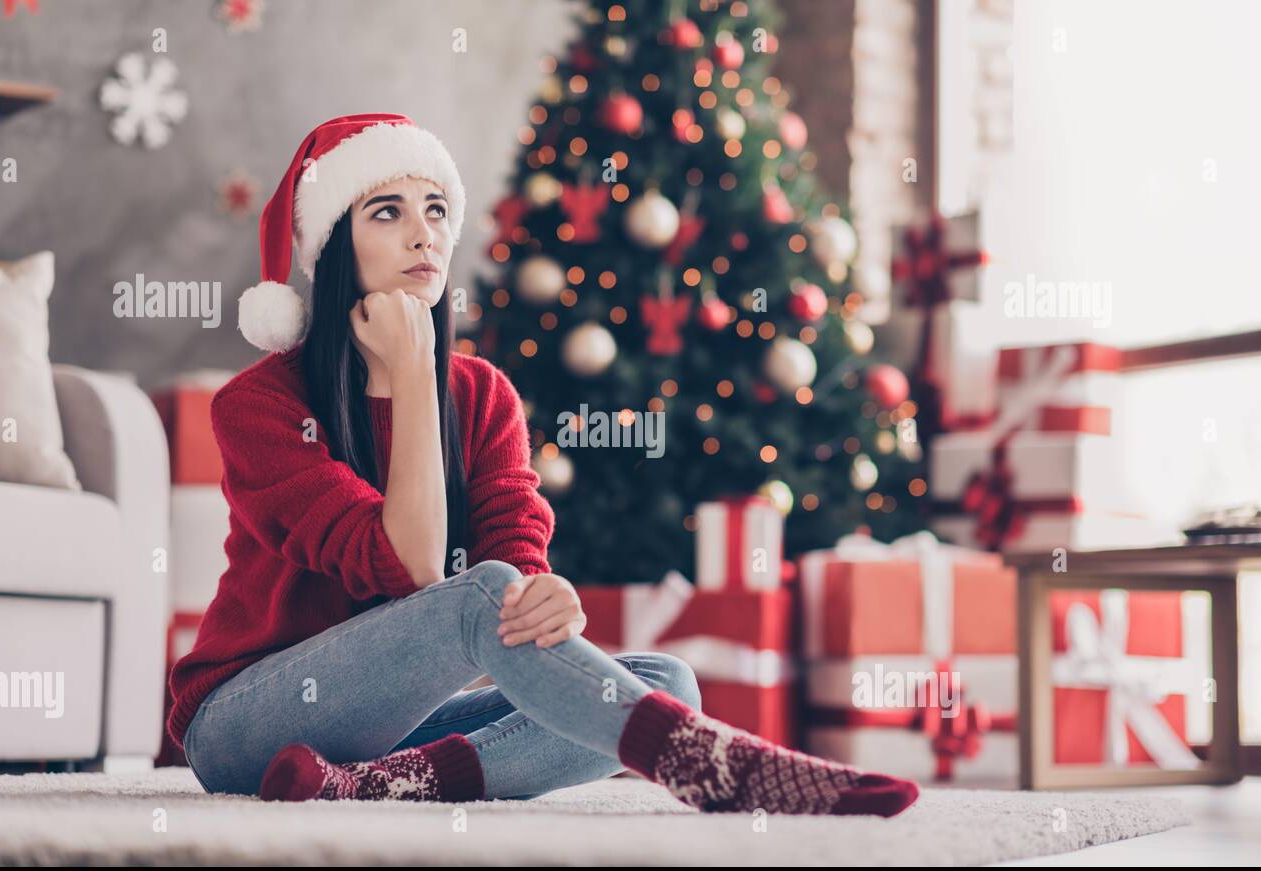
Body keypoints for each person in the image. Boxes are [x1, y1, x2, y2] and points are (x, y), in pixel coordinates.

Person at [167, 113, 920, 816]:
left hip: (388, 728)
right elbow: (414, 568)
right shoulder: (258, 405)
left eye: (434, 209)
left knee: (667, 680)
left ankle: (370, 786)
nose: (422, 235)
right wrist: (414, 372)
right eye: (386, 212)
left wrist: (542, 594)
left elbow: (511, 556)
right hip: (245, 721)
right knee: (478, 597)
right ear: (332, 246)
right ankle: (720, 773)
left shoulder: (483, 392)